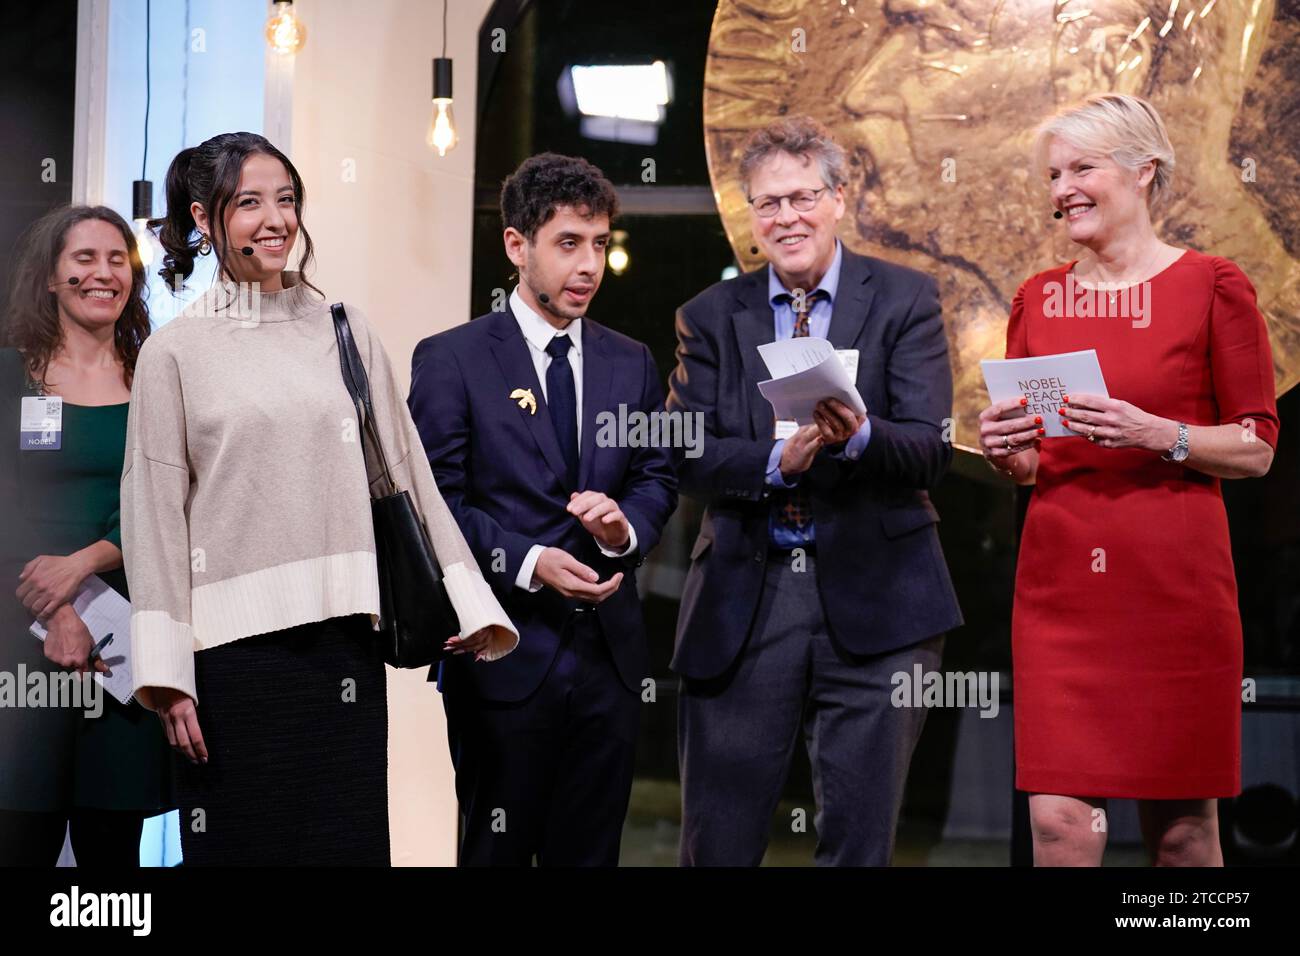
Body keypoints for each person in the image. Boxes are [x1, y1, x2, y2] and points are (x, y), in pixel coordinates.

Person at [123, 132, 517, 866]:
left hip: (345, 651)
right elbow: (152, 515)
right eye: (250, 203)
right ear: (206, 219)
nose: (275, 219)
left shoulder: (345, 329)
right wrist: (168, 676)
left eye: (287, 199)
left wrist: (469, 600)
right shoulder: (173, 352)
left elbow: (407, 475)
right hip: (229, 668)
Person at [978, 94, 1279, 866]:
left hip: (1174, 592)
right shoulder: (1038, 298)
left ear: (1144, 172)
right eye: (1053, 174)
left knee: (1181, 833)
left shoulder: (1213, 285)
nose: (1062, 190)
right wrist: (1006, 448)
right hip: (1061, 593)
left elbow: (1256, 448)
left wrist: (1160, 434)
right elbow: (1031, 463)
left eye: (1083, 168)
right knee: (1060, 825)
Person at [667, 116, 962, 866]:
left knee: (861, 845)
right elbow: (686, 451)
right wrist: (776, 461)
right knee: (718, 844)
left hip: (881, 602)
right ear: (750, 216)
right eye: (767, 204)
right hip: (745, 593)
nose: (785, 218)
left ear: (838, 199)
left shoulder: (905, 298)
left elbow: (930, 447)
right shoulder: (708, 315)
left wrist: (856, 435)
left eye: (801, 198)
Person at [409, 153, 677, 866]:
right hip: (501, 652)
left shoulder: (632, 361)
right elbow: (433, 505)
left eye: (599, 243)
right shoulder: (451, 360)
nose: (588, 265)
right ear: (516, 246)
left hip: (611, 662)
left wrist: (626, 532)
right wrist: (527, 561)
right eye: (568, 244)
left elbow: (658, 477)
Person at [0, 205, 171, 866]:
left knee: (111, 850)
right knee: (21, 836)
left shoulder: (156, 375)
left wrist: (86, 564)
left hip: (124, 636)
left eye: (116, 260)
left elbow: (170, 495)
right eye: (84, 259)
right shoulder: (11, 374)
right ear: (49, 275)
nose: (103, 273)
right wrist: (60, 607)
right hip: (22, 632)